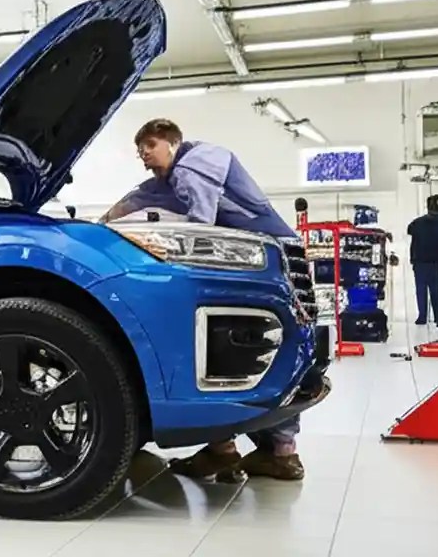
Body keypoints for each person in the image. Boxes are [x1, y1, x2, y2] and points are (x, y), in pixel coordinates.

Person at [99, 119, 305, 481]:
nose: (143, 154)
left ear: (172, 142)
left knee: (225, 352)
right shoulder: (186, 169)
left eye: (149, 145)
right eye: (139, 149)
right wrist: (106, 218)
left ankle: (221, 448)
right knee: (280, 352)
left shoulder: (193, 168)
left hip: (259, 265)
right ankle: (280, 454)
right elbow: (143, 196)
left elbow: (199, 226)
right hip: (276, 263)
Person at [407, 195, 438, 327]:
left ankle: (422, 317)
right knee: (436, 290)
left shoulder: (418, 223)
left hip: (420, 260)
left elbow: (409, 230)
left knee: (421, 289)